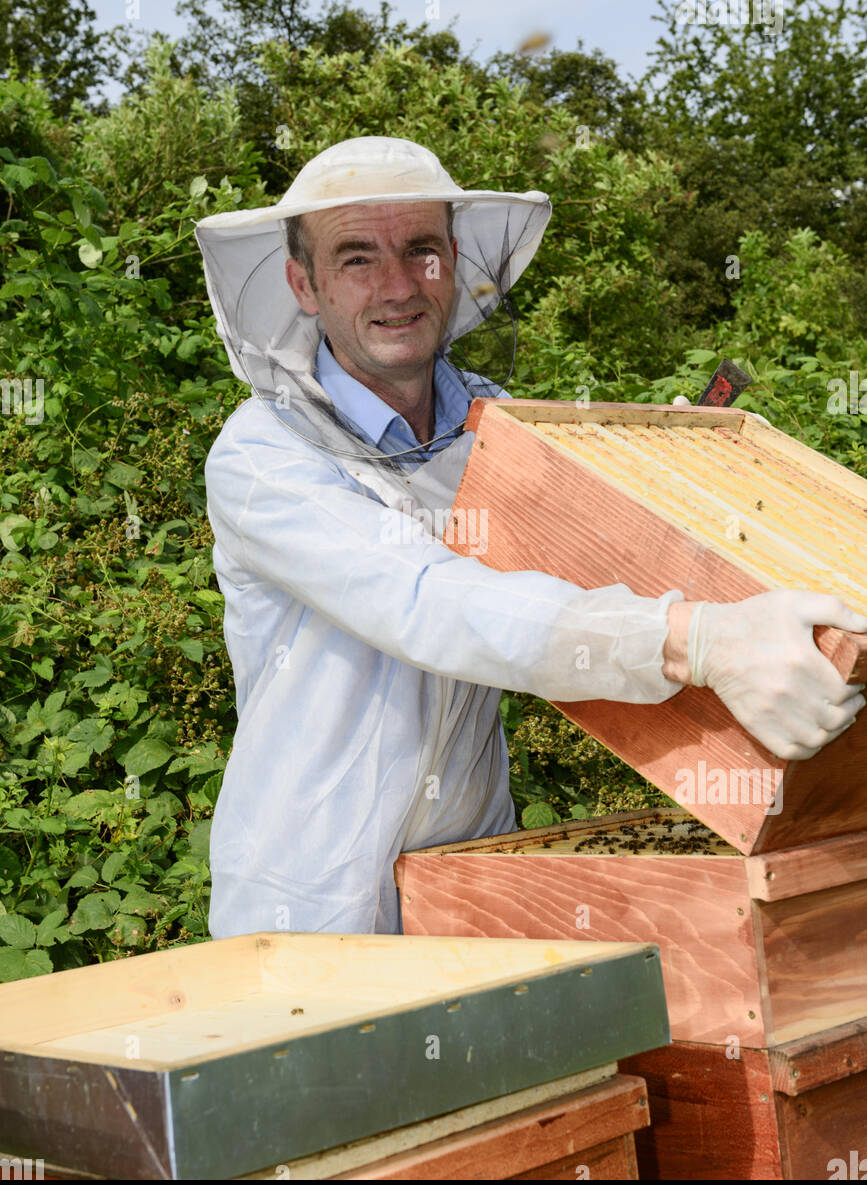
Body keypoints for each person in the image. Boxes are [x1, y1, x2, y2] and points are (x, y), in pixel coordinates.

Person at [195, 135, 867, 938]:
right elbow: (430, 603)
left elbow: (565, 585)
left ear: (454, 258)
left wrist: (673, 491)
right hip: (306, 898)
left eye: (420, 251)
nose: (399, 285)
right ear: (303, 283)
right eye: (357, 258)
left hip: (470, 875)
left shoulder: (497, 423)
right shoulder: (263, 457)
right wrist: (704, 639)